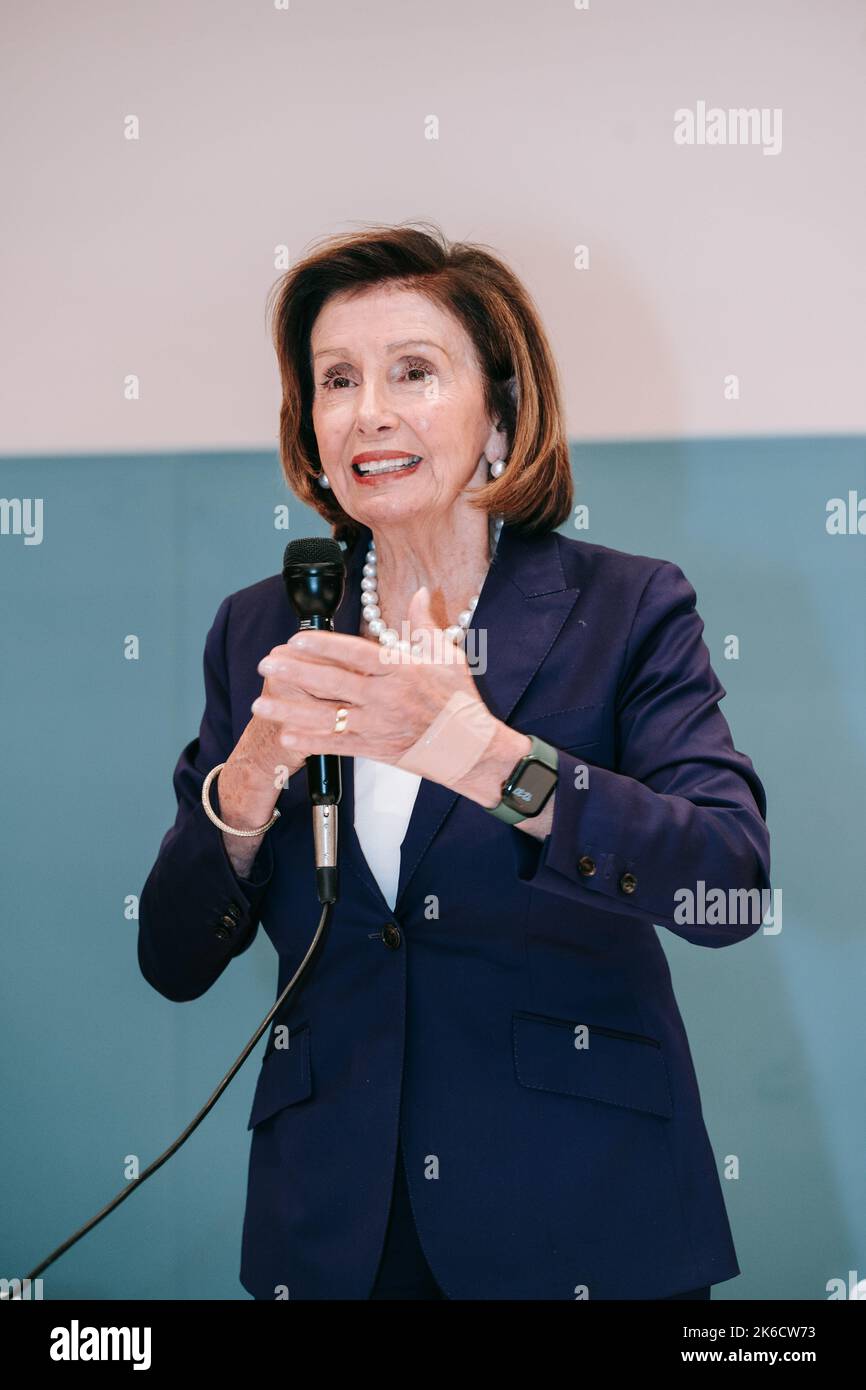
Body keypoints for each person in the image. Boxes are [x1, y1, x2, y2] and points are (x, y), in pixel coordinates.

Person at [137, 222, 771, 1301]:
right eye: (335, 379)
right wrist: (247, 779)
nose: (367, 410)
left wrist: (487, 759)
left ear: (501, 412)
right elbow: (171, 958)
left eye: (413, 372)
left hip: (579, 1209)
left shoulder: (624, 605)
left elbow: (726, 884)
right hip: (335, 1227)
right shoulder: (260, 630)